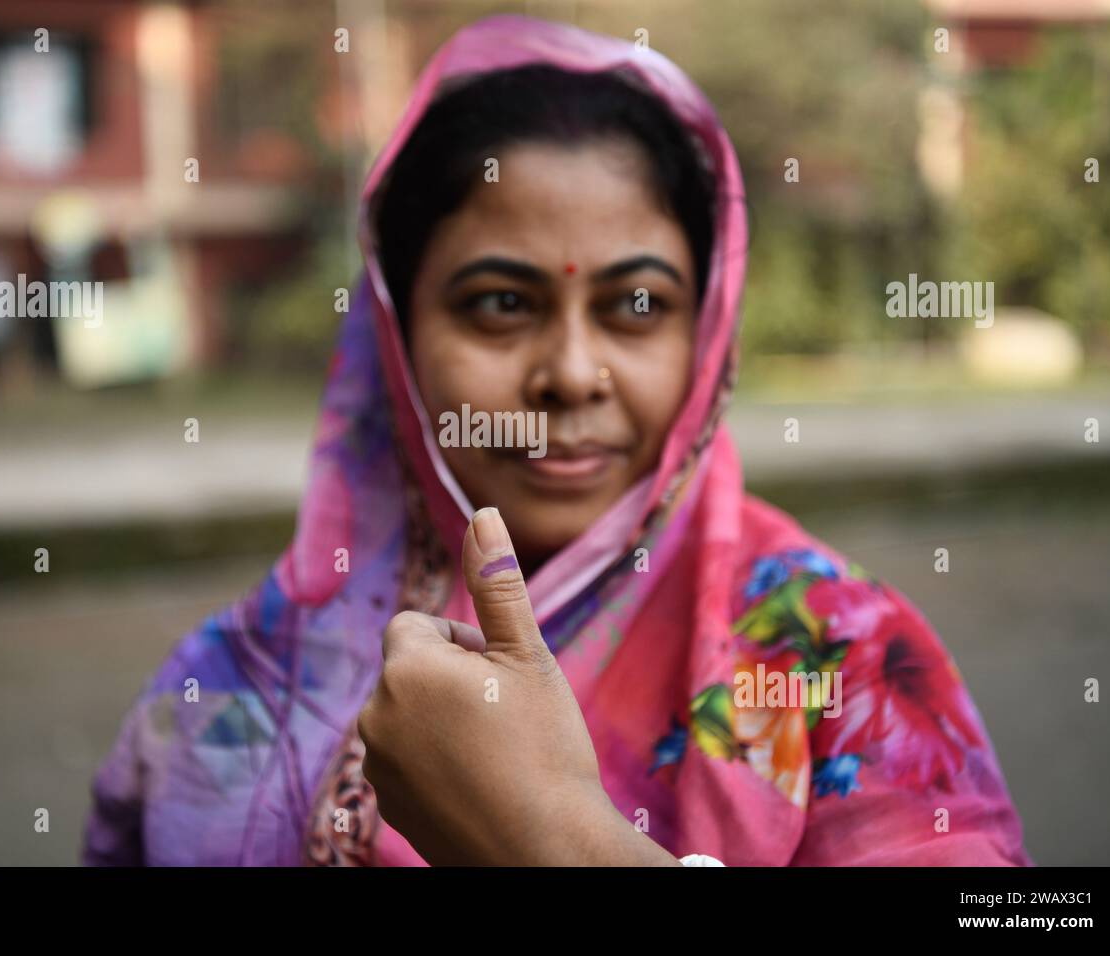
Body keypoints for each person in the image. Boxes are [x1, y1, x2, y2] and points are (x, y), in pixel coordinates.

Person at [82, 14, 1030, 866]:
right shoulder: (229, 690)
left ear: (706, 334)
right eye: (501, 303)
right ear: (394, 338)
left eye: (637, 305)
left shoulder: (839, 661)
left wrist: (551, 839)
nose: (574, 373)